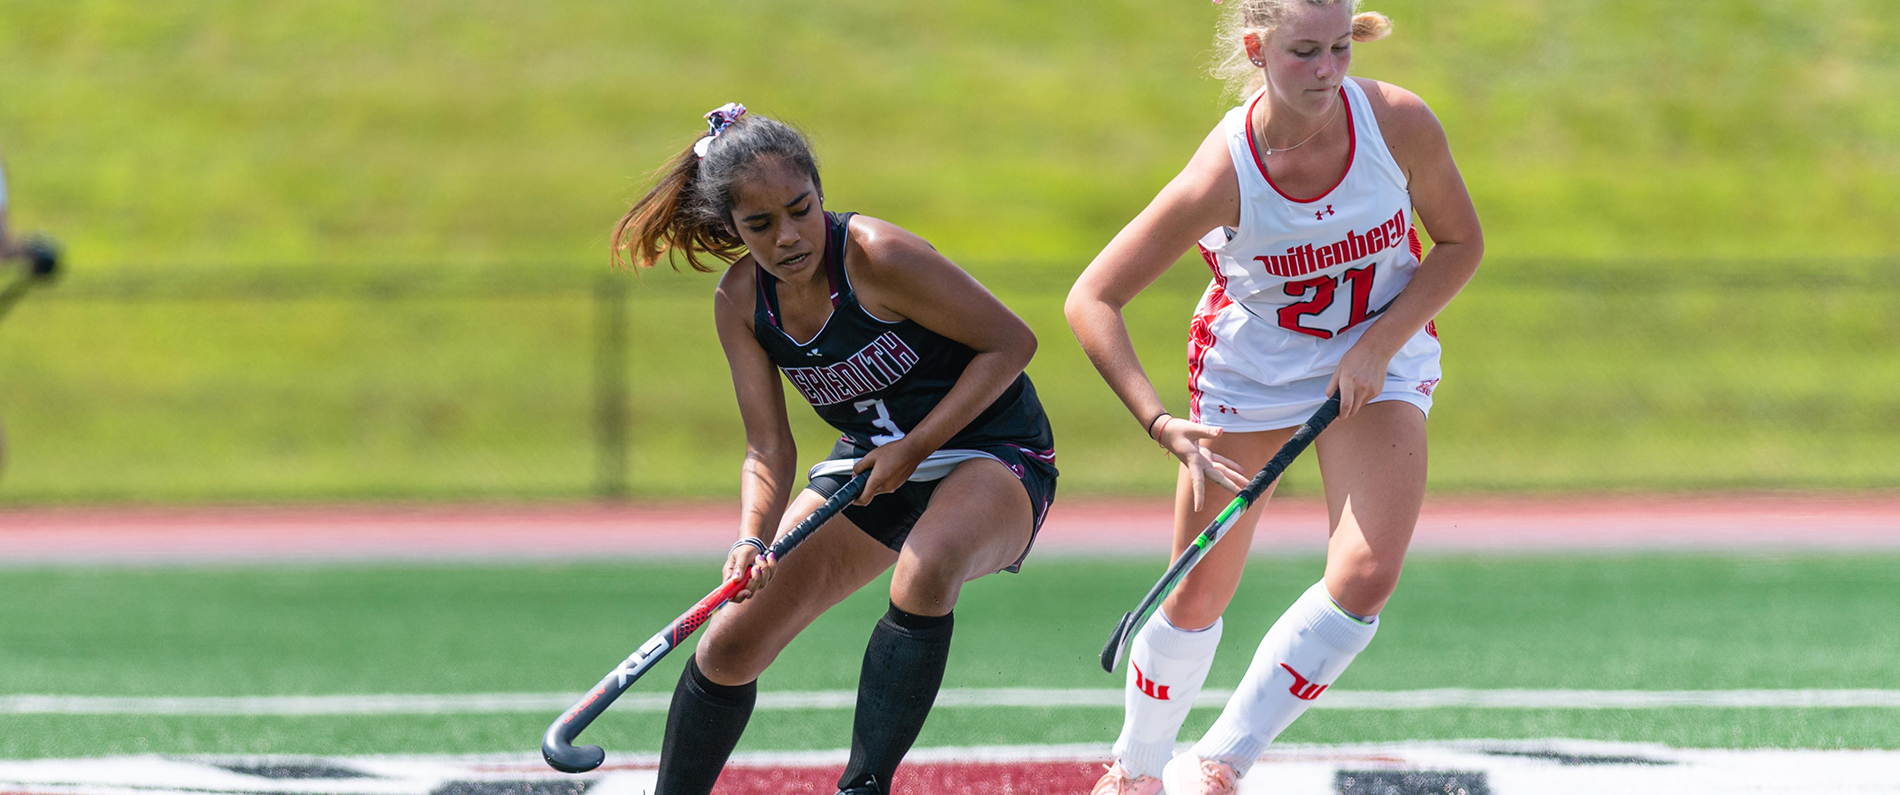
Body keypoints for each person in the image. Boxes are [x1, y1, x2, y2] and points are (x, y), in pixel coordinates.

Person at [1065, 2, 1482, 793]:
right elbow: (1092, 298)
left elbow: (1461, 243)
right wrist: (1158, 421)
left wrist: (1378, 346)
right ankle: (1137, 767)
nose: (1327, 71)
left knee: (1365, 574)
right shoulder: (1223, 172)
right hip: (1251, 369)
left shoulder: (1397, 123)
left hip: (1379, 353)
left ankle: (1221, 761)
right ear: (1257, 49)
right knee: (1198, 588)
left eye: (1340, 48)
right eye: (1304, 52)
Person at [611, 103, 1059, 795]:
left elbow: (1012, 342)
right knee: (729, 642)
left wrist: (917, 445)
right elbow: (767, 446)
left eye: (801, 209)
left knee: (926, 567)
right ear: (733, 227)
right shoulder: (741, 302)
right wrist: (750, 539)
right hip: (870, 463)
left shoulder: (878, 255)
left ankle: (862, 787)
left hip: (992, 447)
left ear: (819, 191)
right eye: (760, 224)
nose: (789, 236)